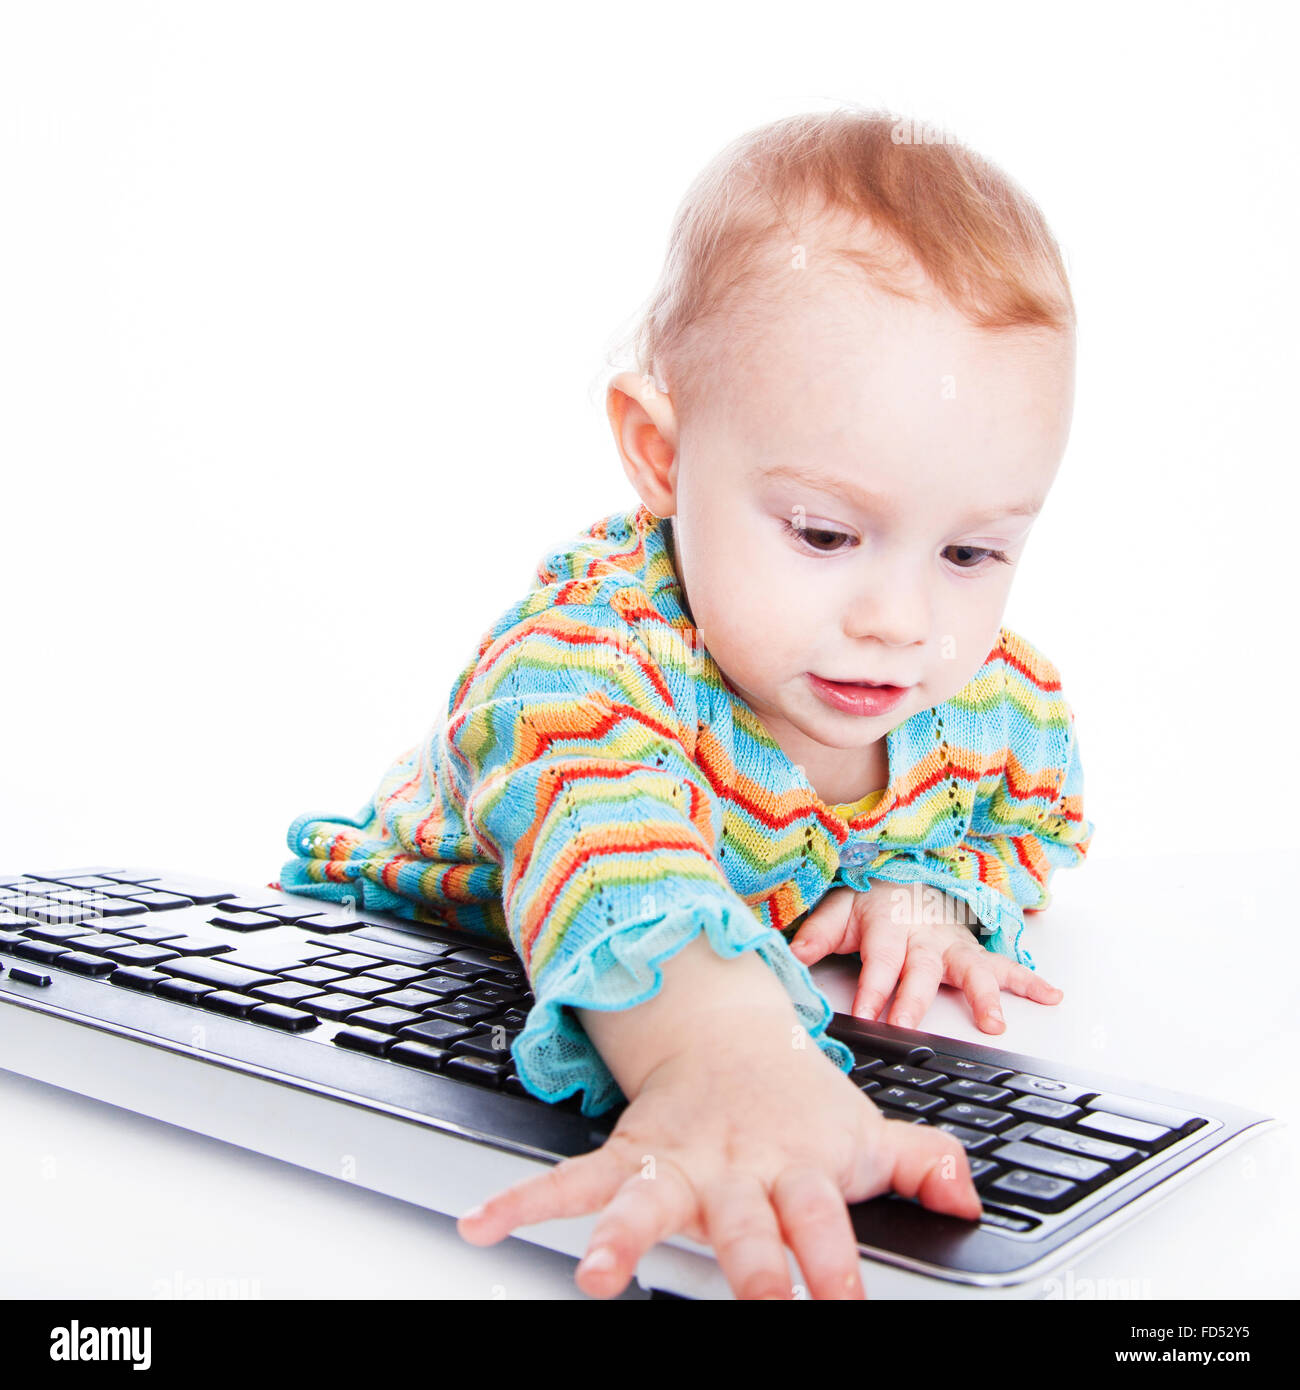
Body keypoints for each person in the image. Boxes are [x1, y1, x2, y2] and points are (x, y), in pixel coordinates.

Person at [279, 108, 1095, 1299]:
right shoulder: (584, 654)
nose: (901, 621)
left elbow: (1019, 826)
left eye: (971, 553)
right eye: (824, 532)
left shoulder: (989, 702)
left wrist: (929, 892)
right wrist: (724, 1056)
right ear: (662, 456)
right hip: (420, 967)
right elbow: (607, 833)